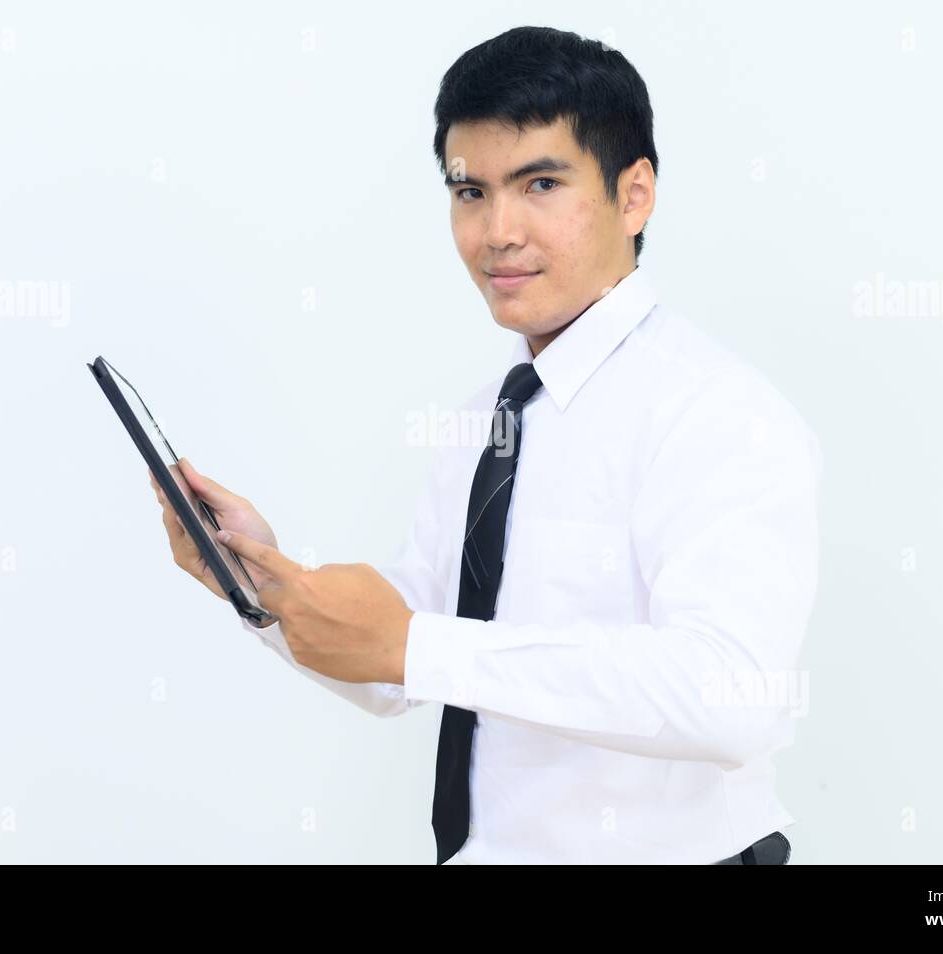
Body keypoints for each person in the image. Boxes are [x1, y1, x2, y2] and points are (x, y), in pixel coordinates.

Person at [152, 26, 822, 865]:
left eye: (540, 183)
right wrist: (259, 583)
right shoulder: (492, 417)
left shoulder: (718, 412)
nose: (496, 230)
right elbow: (406, 659)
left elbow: (734, 698)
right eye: (470, 192)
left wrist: (420, 646)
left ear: (635, 195)